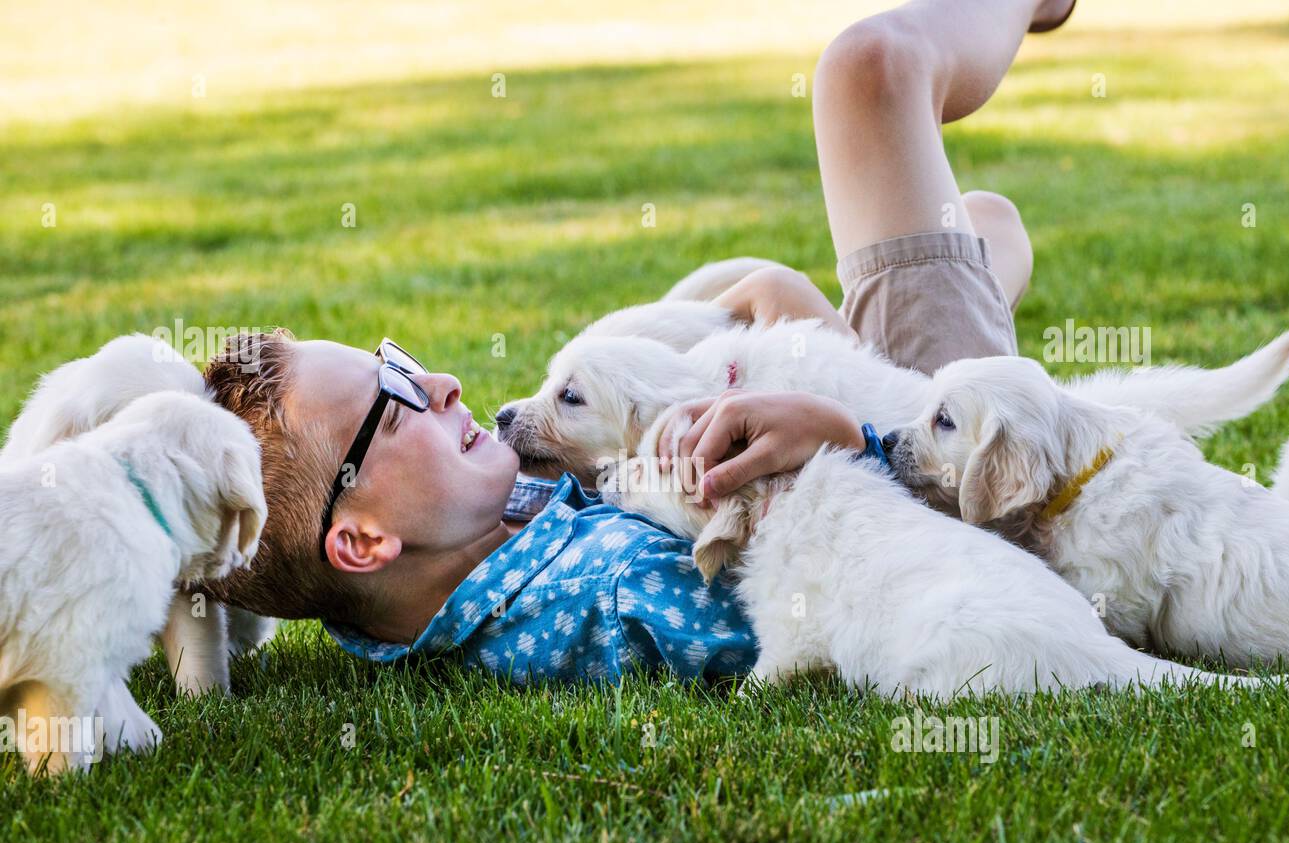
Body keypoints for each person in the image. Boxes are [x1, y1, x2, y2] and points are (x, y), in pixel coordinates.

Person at [203, 0, 1076, 681]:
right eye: (393, 405)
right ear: (361, 543)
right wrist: (848, 433)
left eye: (395, 360)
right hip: (955, 481)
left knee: (979, 227)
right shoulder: (618, 592)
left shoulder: (453, 547)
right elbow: (861, 592)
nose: (438, 381)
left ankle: (969, 277)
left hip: (873, 417)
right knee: (870, 74)